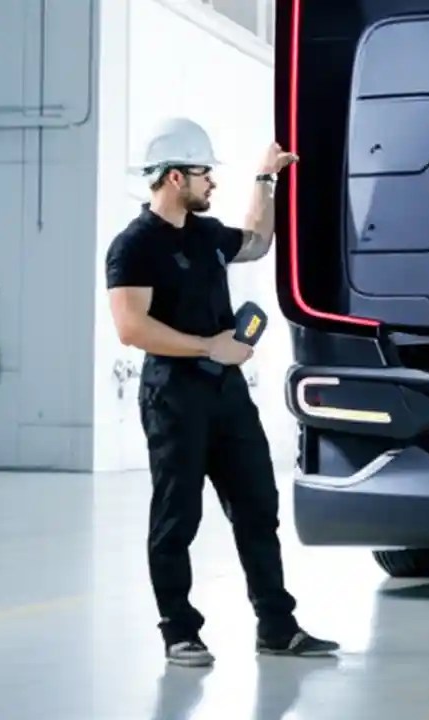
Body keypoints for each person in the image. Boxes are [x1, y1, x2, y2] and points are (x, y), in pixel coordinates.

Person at [105, 117, 339, 667]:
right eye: (203, 172)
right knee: (176, 517)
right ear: (171, 177)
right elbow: (131, 328)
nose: (211, 182)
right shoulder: (134, 246)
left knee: (258, 506)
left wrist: (265, 179)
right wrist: (210, 347)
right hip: (174, 398)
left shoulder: (207, 235)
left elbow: (257, 242)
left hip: (227, 396)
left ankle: (277, 628)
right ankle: (179, 632)